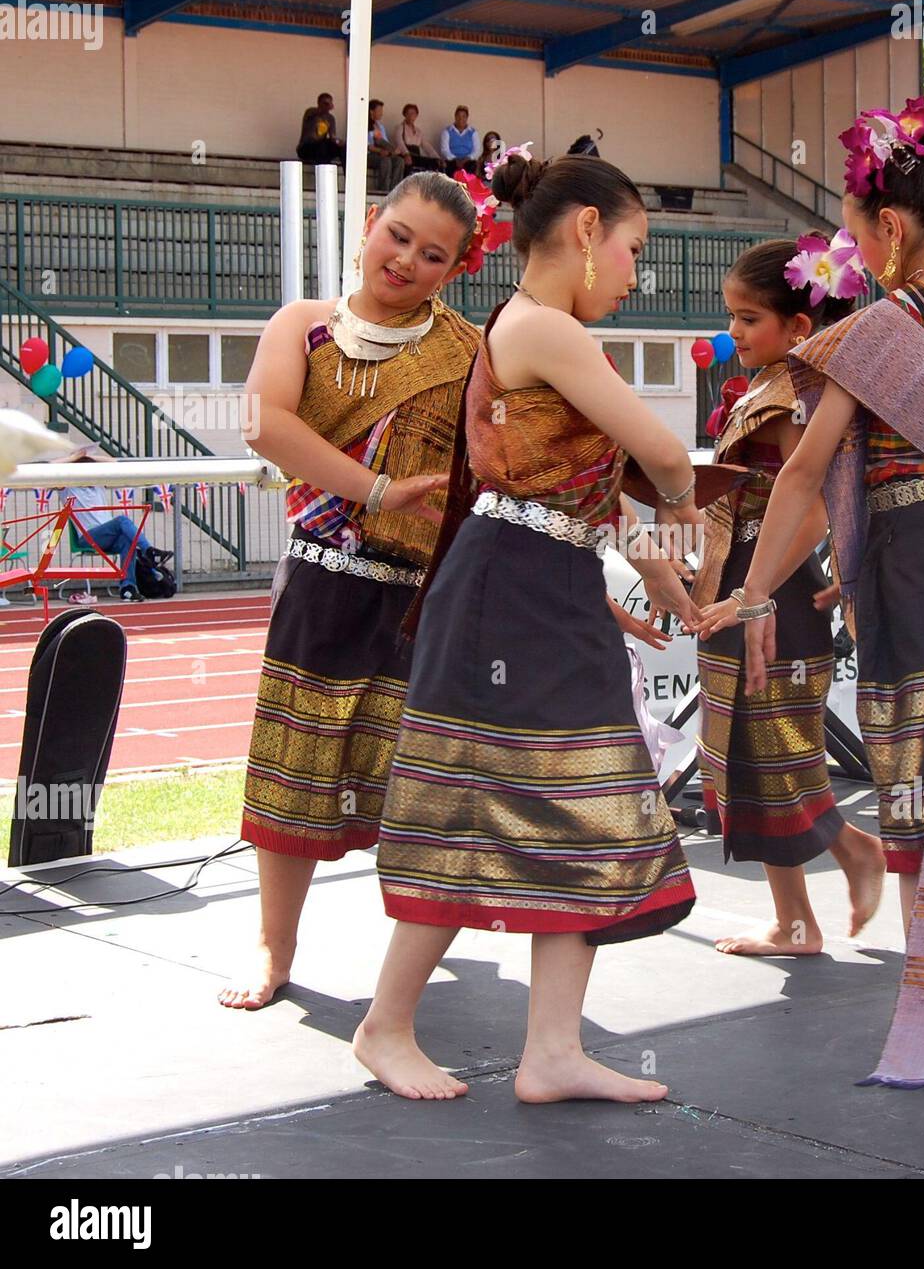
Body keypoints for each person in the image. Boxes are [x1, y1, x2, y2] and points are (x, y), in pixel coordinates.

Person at [708, 98, 924, 1089]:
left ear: (893, 229)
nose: (858, 258)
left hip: (919, 558)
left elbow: (803, 475)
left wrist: (756, 592)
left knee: (915, 760)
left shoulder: (887, 324)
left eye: (860, 238)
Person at [353, 152, 704, 1103]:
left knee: (576, 809)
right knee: (470, 808)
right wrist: (690, 516)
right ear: (587, 231)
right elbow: (665, 456)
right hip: (508, 591)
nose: (639, 273)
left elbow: (596, 502)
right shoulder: (546, 329)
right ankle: (384, 1026)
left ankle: (551, 1049)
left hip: (543, 582)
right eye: (634, 247)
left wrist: (673, 585)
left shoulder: (547, 332)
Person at [219, 172, 484, 1010]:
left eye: (432, 253)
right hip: (326, 583)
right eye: (397, 235)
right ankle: (275, 944)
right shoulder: (304, 326)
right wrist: (376, 491)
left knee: (425, 780)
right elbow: (265, 423)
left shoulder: (472, 353)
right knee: (296, 766)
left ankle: (413, 954)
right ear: (370, 224)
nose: (406, 259)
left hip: (427, 597)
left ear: (455, 269)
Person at [693, 238, 887, 956]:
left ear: (798, 327)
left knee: (776, 755)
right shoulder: (774, 385)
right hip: (746, 582)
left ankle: (851, 856)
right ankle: (796, 918)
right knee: (755, 756)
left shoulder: (795, 394)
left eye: (748, 318)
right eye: (731, 317)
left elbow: (814, 504)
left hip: (771, 592)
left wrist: (756, 593)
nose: (734, 332)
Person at [60, 447, 154, 602]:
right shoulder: (68, 487)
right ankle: (149, 551)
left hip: (107, 536)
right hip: (88, 536)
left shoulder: (98, 485)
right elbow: (49, 465)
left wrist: (91, 457)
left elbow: (116, 463)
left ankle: (128, 588)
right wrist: (74, 457)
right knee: (122, 520)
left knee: (128, 541)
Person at [367, 100, 405, 193]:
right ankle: (383, 190)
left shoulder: (380, 126)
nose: (381, 113)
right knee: (386, 161)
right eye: (379, 110)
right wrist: (380, 151)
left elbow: (384, 142)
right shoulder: (364, 124)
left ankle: (395, 191)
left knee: (399, 161)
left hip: (381, 153)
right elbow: (367, 146)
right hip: (369, 155)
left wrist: (394, 150)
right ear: (371, 111)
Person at [297, 92, 344, 166]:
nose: (327, 106)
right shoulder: (310, 112)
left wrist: (339, 142)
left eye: (329, 103)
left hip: (321, 148)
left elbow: (332, 137)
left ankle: (348, 174)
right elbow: (316, 112)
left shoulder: (331, 118)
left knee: (341, 148)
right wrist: (324, 109)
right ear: (319, 103)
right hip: (306, 147)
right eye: (325, 103)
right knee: (322, 146)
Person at [394, 104, 443, 173]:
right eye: (408, 113)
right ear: (404, 115)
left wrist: (437, 157)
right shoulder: (400, 127)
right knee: (408, 164)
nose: (411, 116)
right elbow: (399, 141)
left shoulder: (418, 131)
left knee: (435, 162)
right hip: (404, 155)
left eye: (413, 113)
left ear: (416, 115)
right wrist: (406, 154)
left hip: (415, 155)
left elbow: (427, 146)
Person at [439, 105, 480, 174]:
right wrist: (456, 160)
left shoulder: (473, 132)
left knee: (474, 167)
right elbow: (444, 150)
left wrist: (466, 159)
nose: (461, 119)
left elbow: (476, 150)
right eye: (458, 116)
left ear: (467, 117)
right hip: (452, 161)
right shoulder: (447, 131)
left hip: (468, 161)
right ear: (455, 116)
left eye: (463, 116)